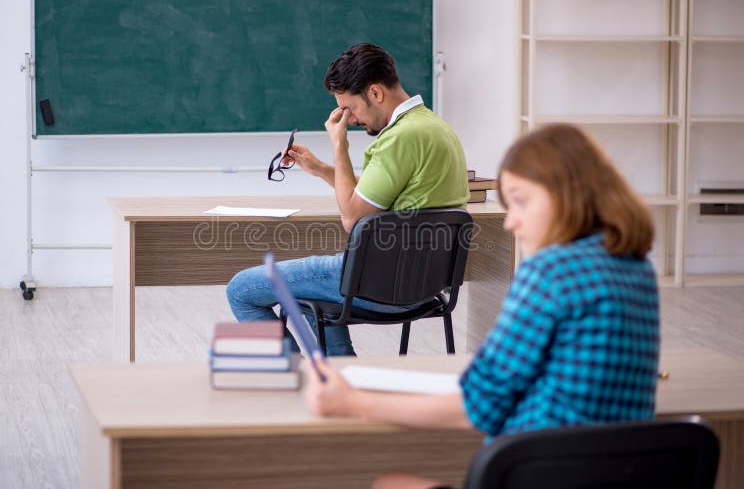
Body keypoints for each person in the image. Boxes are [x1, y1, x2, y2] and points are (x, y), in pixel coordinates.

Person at [305, 124, 661, 489]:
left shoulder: (551, 272)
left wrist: (355, 403)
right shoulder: (636, 267)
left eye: (521, 201)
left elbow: (476, 408)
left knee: (388, 483)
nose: (511, 222)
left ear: (567, 193)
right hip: (615, 476)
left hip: (538, 473)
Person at [226, 43, 469, 356]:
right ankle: (342, 369)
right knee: (313, 286)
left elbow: (353, 219)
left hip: (380, 284)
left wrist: (339, 147)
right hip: (424, 285)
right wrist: (322, 170)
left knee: (241, 289)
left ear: (376, 93)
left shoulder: (398, 139)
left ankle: (297, 378)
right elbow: (371, 202)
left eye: (350, 108)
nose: (350, 119)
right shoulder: (436, 128)